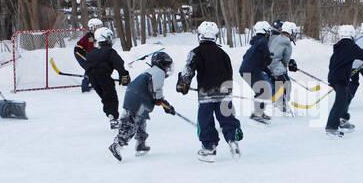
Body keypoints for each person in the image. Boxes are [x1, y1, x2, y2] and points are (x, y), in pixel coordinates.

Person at [177, 20, 242, 161]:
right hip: (224, 93)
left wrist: (183, 83)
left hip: (206, 94)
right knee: (227, 118)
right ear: (215, 36)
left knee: (205, 121)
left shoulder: (196, 52)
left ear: (200, 35)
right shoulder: (223, 53)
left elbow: (188, 69)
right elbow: (229, 72)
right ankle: (232, 140)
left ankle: (209, 147)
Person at [109, 50, 176, 161]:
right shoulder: (159, 72)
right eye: (167, 66)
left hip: (134, 96)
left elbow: (152, 90)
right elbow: (156, 90)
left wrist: (165, 105)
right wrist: (163, 103)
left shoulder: (151, 70)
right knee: (132, 122)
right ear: (162, 64)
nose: (168, 69)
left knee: (141, 120)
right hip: (138, 98)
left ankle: (141, 144)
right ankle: (117, 145)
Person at [325, 24, 363, 137]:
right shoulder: (350, 46)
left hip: (335, 77)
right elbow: (362, 54)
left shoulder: (339, 47)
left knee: (347, 96)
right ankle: (331, 127)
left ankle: (342, 120)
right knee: (340, 102)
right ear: (352, 35)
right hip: (340, 79)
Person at [82, 26, 129, 128]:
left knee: (105, 98)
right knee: (111, 98)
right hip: (104, 78)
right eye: (109, 37)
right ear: (105, 38)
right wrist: (124, 76)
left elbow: (87, 66)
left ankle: (111, 116)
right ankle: (113, 119)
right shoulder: (109, 51)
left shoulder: (90, 52)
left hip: (93, 80)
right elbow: (119, 64)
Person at [239, 21, 274, 123]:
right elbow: (266, 60)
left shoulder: (256, 43)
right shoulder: (262, 42)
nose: (269, 35)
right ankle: (257, 114)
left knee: (262, 90)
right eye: (268, 32)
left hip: (247, 69)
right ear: (265, 32)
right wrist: (269, 57)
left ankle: (259, 113)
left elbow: (257, 61)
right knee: (263, 90)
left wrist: (269, 72)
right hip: (251, 70)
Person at [266, 21, 298, 115]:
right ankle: (281, 106)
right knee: (287, 84)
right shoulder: (287, 42)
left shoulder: (277, 38)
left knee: (280, 86)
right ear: (290, 31)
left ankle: (280, 104)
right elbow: (285, 60)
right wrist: (286, 68)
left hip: (269, 66)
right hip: (276, 67)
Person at [74, 17, 103, 93]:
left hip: (85, 53)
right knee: (89, 67)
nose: (100, 28)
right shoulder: (90, 37)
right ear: (92, 27)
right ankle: (85, 87)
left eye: (100, 26)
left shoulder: (96, 35)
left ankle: (94, 82)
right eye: (98, 26)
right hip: (79, 52)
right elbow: (90, 49)